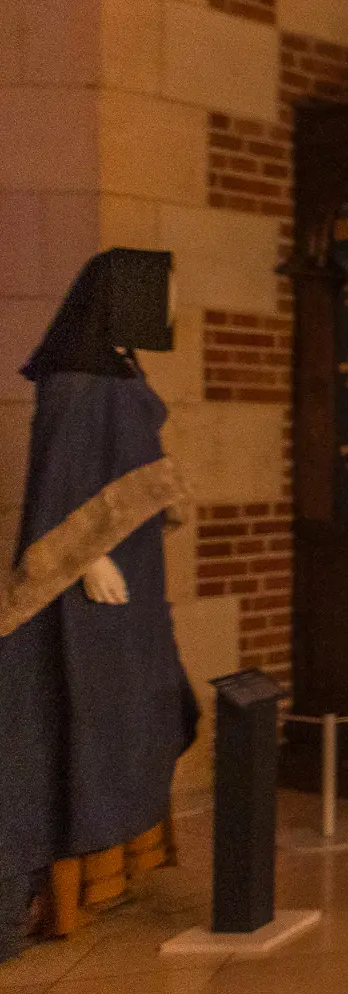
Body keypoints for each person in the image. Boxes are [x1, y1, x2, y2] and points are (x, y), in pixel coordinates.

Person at [0, 251, 199, 952]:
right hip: (93, 592)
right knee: (84, 724)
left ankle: (115, 870)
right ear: (129, 296)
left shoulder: (118, 366)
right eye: (164, 290)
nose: (173, 302)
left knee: (135, 718)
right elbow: (62, 481)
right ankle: (65, 888)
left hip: (134, 585)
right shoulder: (77, 378)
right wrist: (88, 556)